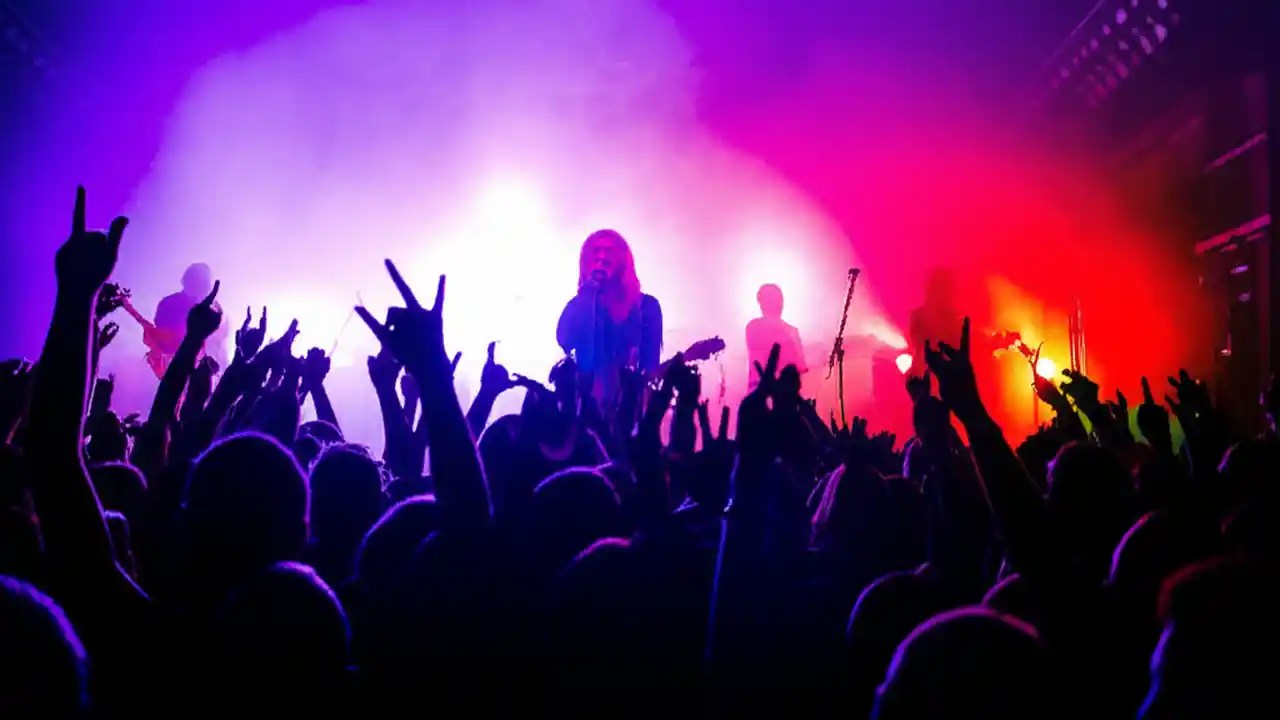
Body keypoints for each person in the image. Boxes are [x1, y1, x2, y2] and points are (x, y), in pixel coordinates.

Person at [555, 230, 663, 414]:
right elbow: (564, 341)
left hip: (627, 411)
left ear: (623, 260)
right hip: (582, 409)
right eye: (596, 251)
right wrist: (587, 298)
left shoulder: (647, 307)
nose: (602, 257)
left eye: (609, 251)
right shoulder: (579, 304)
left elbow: (650, 366)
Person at [154, 263, 227, 364]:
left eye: (199, 282)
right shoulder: (168, 303)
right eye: (193, 279)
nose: (195, 284)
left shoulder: (214, 311)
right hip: (169, 364)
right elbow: (159, 336)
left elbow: (218, 347)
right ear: (185, 280)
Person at [745, 284, 806, 390]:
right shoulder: (754, 326)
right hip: (761, 393)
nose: (778, 303)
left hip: (786, 395)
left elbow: (801, 366)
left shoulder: (792, 331)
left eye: (779, 299)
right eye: (770, 299)